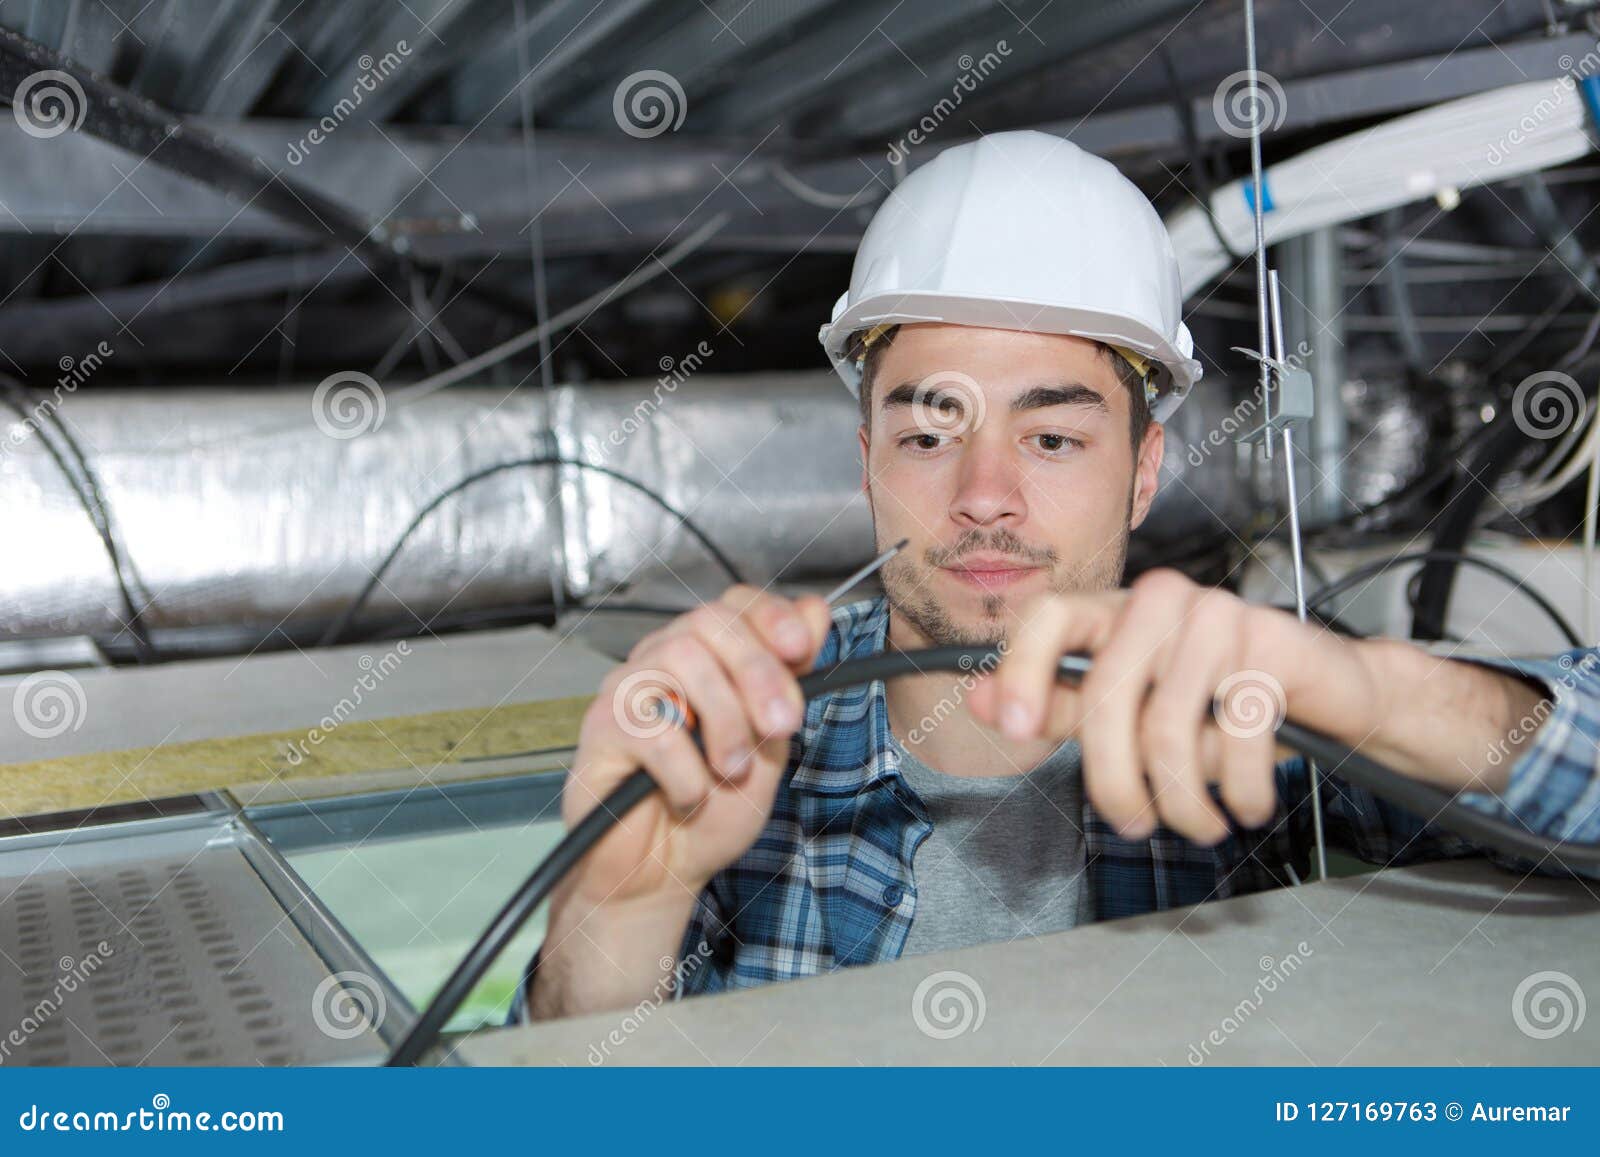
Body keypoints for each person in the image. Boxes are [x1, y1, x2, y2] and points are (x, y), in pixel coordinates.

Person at [510, 130, 1600, 1023]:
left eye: (1053, 438)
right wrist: (616, 916)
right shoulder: (744, 746)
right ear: (869, 465)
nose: (985, 493)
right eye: (929, 434)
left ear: (1141, 471)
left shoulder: (1251, 712)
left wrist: (1373, 691)